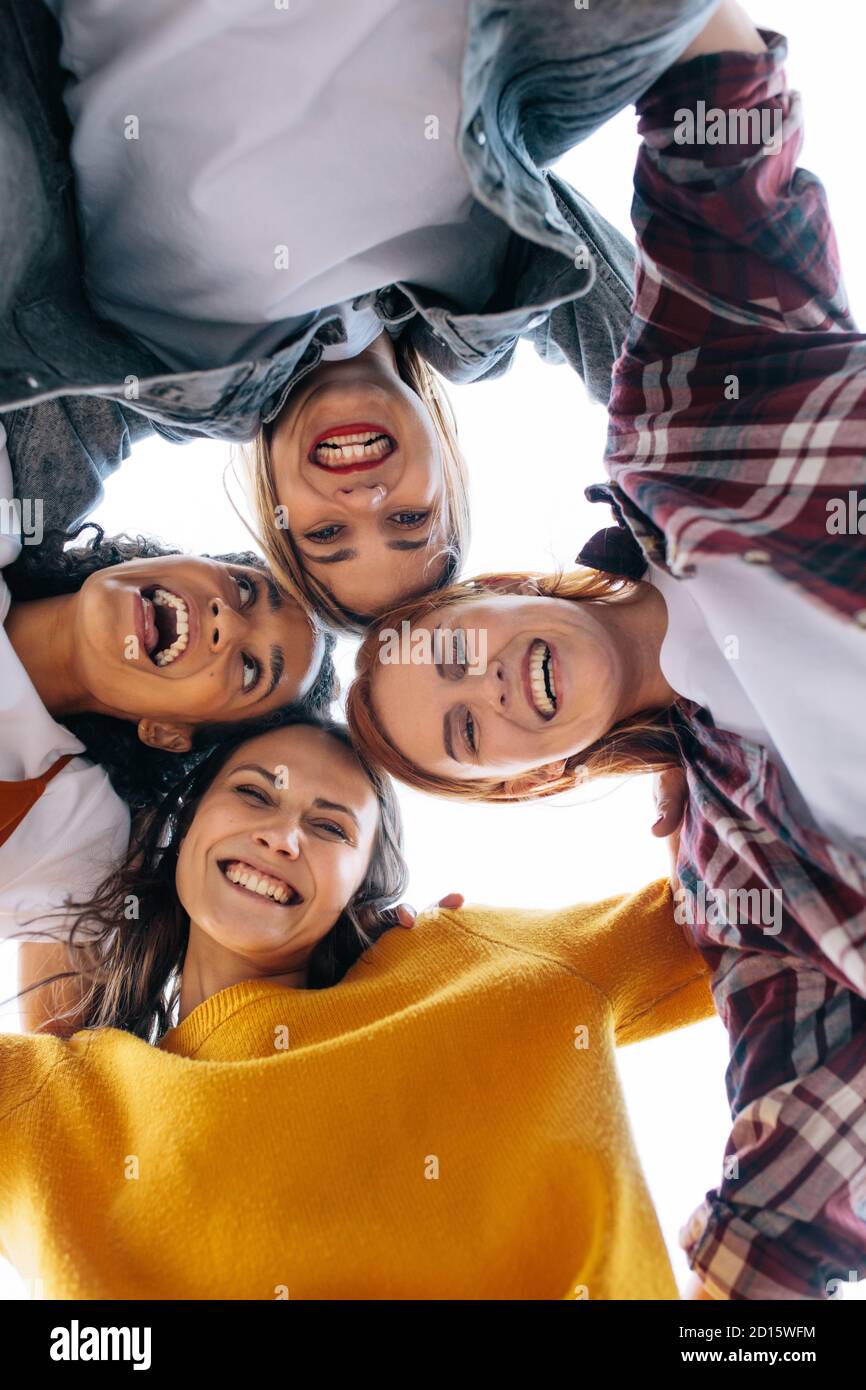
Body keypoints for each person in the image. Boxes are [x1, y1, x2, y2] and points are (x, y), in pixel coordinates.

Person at [345, 3, 866, 1298]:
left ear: (500, 590)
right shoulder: (732, 870)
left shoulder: (681, 429)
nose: (486, 690)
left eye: (451, 651)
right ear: (526, 776)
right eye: (464, 734)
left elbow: (716, 132)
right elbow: (801, 1135)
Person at [2, 0, 719, 625]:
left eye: (326, 535)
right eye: (409, 520)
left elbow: (18, 532)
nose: (366, 496)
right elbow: (689, 374)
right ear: (450, 466)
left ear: (277, 503)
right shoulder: (498, 300)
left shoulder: (154, 387)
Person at [2, 715, 713, 1299]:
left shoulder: (468, 958)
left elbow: (748, 917)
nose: (282, 837)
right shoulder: (50, 1102)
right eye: (254, 794)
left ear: (362, 888)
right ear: (184, 826)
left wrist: (670, 734)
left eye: (332, 828)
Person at [0, 419, 334, 991]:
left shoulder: (76, 827)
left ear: (170, 733)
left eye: (250, 669)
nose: (228, 618)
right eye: (247, 589)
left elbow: (69, 1066)